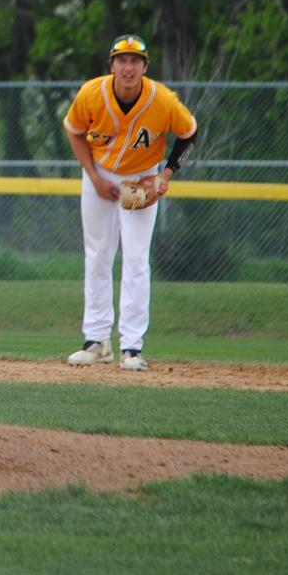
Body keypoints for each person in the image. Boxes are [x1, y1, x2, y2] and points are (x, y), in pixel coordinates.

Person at [62, 34, 198, 371]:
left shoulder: (162, 99)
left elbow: (189, 132)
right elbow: (74, 131)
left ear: (145, 66)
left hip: (141, 179)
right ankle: (96, 341)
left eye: (135, 60)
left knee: (136, 259)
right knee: (97, 255)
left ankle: (132, 346)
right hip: (100, 175)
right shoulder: (92, 93)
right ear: (112, 65)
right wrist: (94, 177)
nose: (128, 67)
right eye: (121, 60)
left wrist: (164, 176)